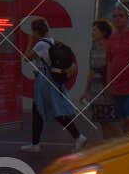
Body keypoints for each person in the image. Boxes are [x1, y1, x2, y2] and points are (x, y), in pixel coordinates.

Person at [23, 17, 83, 152]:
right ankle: (35, 143)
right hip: (53, 80)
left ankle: (78, 136)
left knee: (50, 111)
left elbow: (26, 58)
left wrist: (30, 42)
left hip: (44, 81)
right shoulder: (52, 41)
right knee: (40, 110)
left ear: (35, 31)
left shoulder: (40, 45)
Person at [80, 20, 114, 133]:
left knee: (110, 121)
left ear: (103, 32)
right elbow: (91, 69)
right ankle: (109, 145)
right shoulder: (93, 48)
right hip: (96, 89)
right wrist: (86, 91)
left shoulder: (111, 46)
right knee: (102, 121)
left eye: (95, 30)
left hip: (107, 88)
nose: (92, 33)